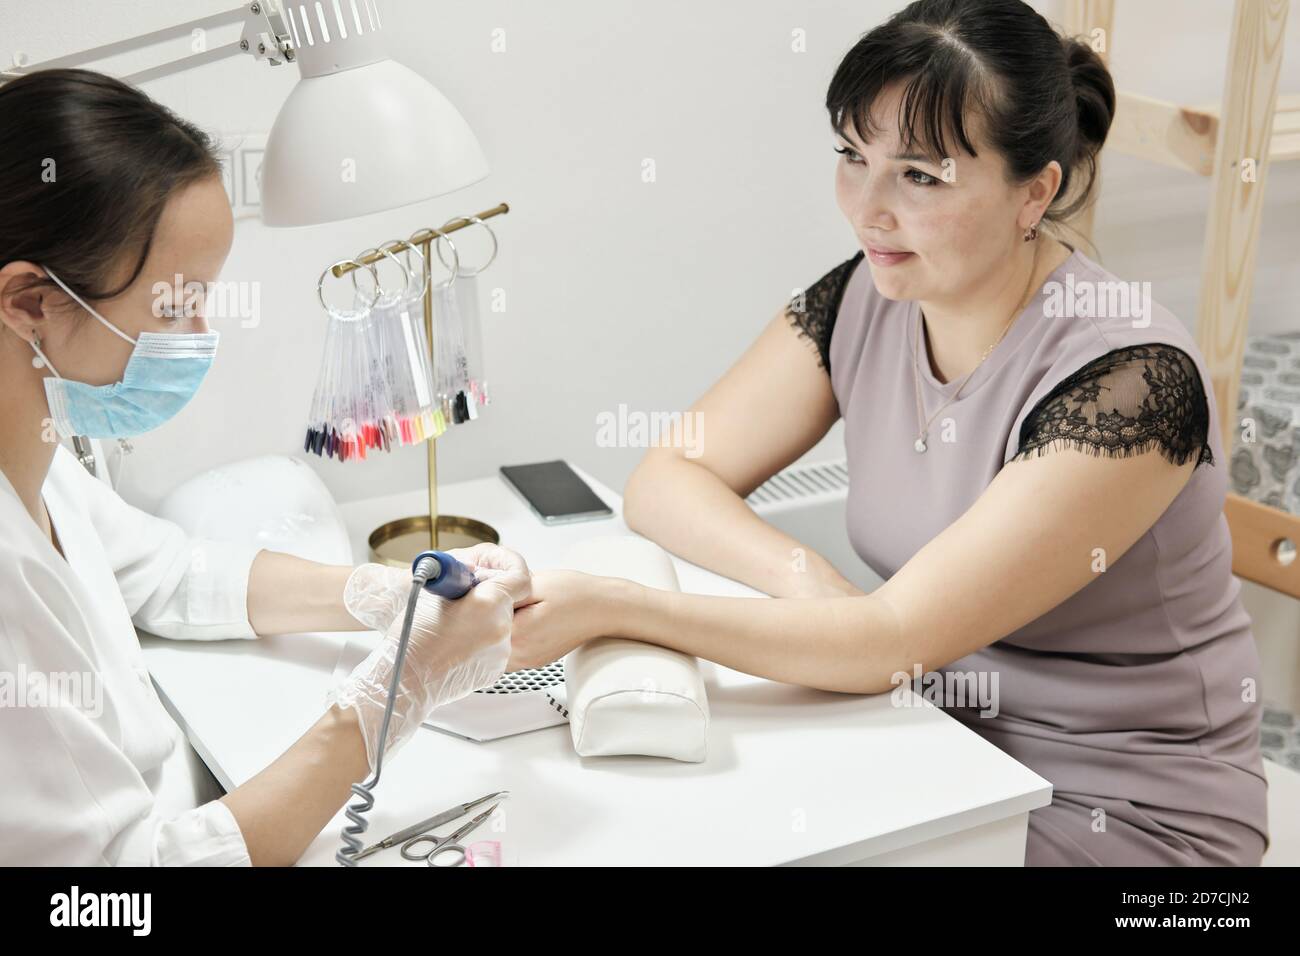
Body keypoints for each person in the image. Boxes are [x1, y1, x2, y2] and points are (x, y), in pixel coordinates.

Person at [505, 0, 1270, 865]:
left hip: (1130, 821)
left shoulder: (1134, 381)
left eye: (920, 176)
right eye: (851, 157)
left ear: (1037, 190)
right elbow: (668, 476)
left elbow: (892, 643)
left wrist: (615, 607)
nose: (867, 211)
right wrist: (812, 582)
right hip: (928, 745)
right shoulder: (869, 295)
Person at [0, 68, 531, 866]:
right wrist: (387, 698)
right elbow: (116, 891)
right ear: (31, 302)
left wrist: (386, 597)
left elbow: (166, 574)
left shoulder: (40, 452)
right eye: (173, 306)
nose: (201, 334)